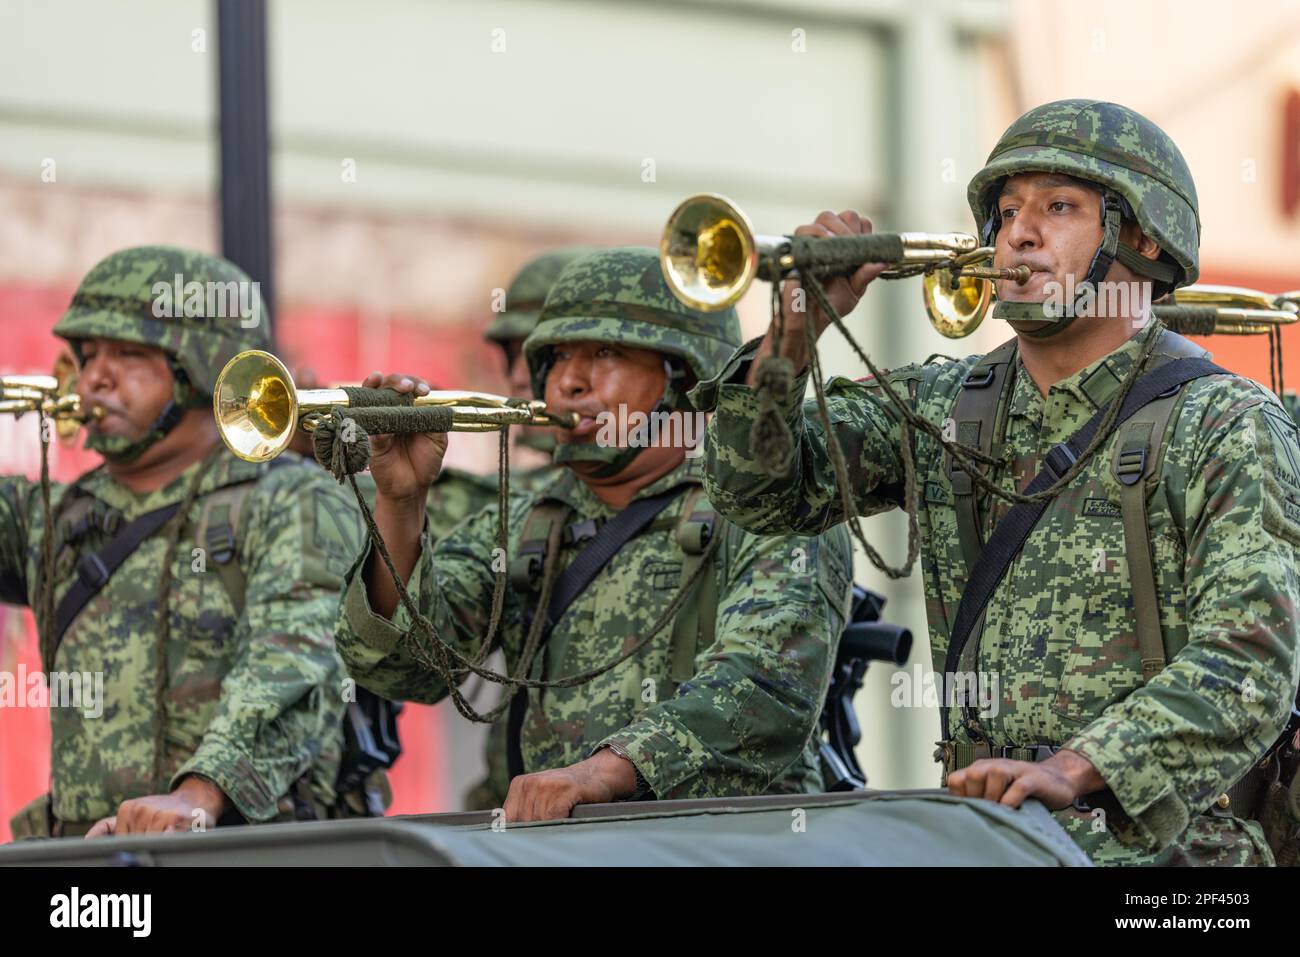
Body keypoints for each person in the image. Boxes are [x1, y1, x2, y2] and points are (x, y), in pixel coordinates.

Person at [694, 99, 1300, 865]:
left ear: (1144, 237)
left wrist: (1073, 770)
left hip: (1171, 863)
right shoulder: (943, 404)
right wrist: (793, 335)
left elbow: (1249, 665)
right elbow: (760, 491)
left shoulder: (1221, 420)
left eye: (1059, 206)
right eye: (1005, 210)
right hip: (988, 846)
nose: (1018, 232)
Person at [333, 246, 853, 822]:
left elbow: (764, 693)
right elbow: (401, 667)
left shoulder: (771, 509)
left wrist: (599, 775)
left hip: (725, 850)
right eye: (556, 357)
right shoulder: (525, 521)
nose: (568, 382)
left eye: (605, 352)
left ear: (684, 376)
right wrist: (401, 502)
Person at [1, 247, 361, 839]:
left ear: (204, 367)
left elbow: (294, 660)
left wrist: (202, 794)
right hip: (90, 862)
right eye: (88, 354)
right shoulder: (60, 512)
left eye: (129, 353)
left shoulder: (287, 497)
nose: (93, 377)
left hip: (245, 849)